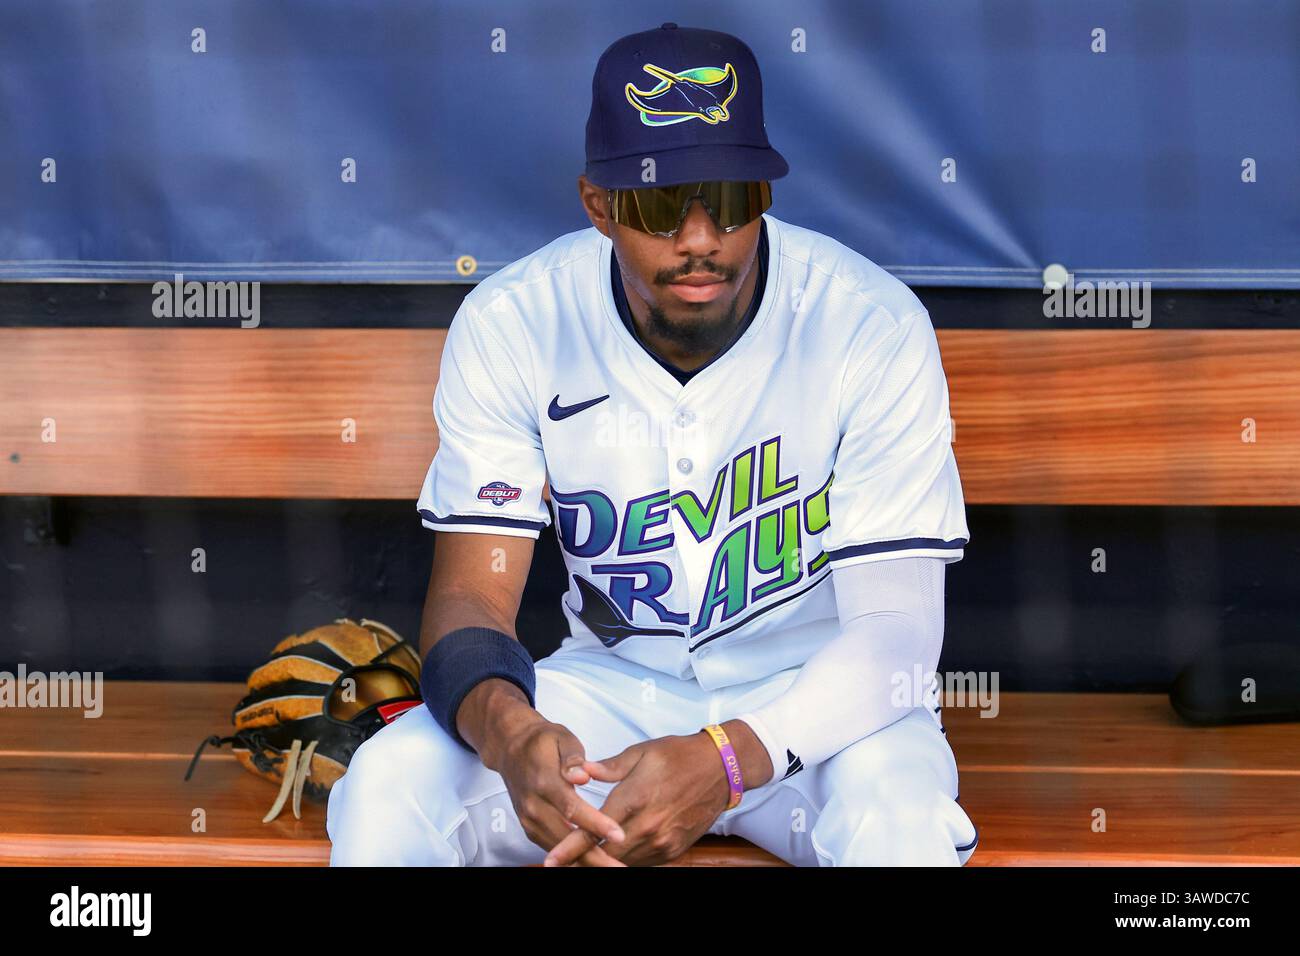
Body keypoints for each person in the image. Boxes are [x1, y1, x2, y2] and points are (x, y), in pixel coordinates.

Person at [326, 22, 977, 866]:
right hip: (609, 699)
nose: (700, 237)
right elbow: (473, 604)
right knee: (386, 788)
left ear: (766, 198)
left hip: (818, 711)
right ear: (599, 204)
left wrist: (729, 760)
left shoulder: (868, 323)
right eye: (662, 205)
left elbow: (896, 637)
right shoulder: (516, 321)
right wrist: (510, 729)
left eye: (730, 198)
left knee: (903, 823)